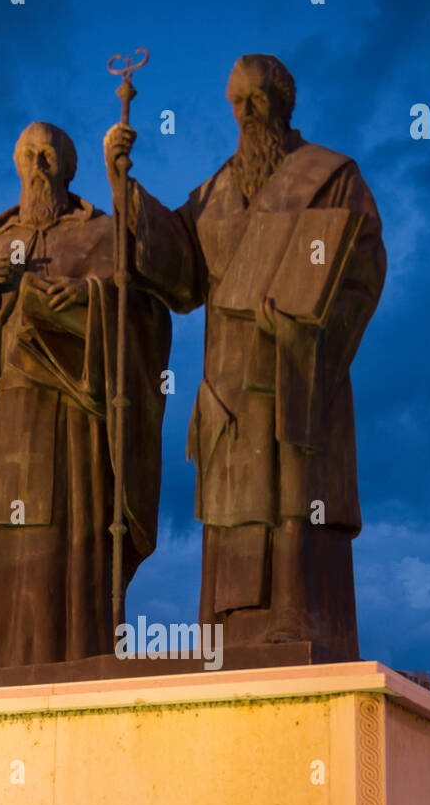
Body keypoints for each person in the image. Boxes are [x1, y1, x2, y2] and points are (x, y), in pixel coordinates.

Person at [105, 55, 386, 659]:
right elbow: (178, 271)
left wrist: (308, 319)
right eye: (236, 100)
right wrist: (125, 189)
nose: (245, 111)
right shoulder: (214, 192)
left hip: (296, 369)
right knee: (235, 507)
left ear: (283, 102)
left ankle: (298, 618)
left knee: (293, 495)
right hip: (228, 381)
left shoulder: (331, 175)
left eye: (255, 98)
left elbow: (361, 265)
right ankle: (226, 633)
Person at [0, 121, 170, 669]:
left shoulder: (103, 237)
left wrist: (84, 299)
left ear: (69, 168)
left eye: (49, 156)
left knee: (69, 561)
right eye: (30, 155)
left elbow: (148, 317)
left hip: (75, 425)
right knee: (2, 557)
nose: (39, 167)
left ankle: (77, 664)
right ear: (16, 164)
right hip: (4, 428)